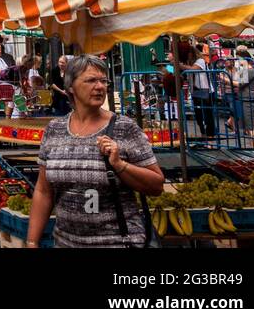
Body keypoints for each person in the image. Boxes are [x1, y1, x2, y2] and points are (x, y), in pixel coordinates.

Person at [28, 55, 164, 247]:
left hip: (116, 242)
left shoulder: (125, 128)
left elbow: (157, 185)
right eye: (91, 80)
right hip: (65, 242)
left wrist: (120, 165)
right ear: (71, 87)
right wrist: (32, 242)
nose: (100, 86)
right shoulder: (54, 129)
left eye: (103, 81)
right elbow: (43, 191)